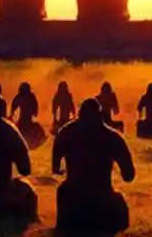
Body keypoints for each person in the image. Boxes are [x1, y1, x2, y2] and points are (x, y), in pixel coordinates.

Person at [52, 98, 136, 233]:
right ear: (100, 116)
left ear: (79, 114)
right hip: (102, 201)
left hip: (73, 203)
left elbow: (55, 169)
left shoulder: (65, 133)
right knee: (119, 200)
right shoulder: (113, 137)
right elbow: (129, 176)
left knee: (62, 190)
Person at [10, 81, 46, 147]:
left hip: (25, 119)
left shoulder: (21, 96)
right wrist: (35, 112)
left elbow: (14, 105)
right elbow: (35, 105)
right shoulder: (30, 96)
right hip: (25, 119)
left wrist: (12, 114)